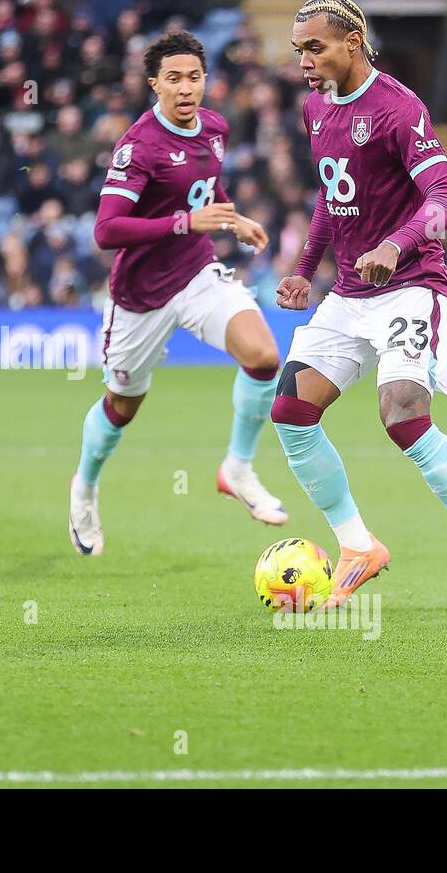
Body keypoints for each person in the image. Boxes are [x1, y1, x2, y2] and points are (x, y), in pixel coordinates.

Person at [275, 0, 447, 614]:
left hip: (409, 284)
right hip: (350, 292)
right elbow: (333, 198)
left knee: (403, 416)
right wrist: (306, 271)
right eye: (299, 49)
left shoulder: (398, 107)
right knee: (290, 412)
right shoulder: (315, 108)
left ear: (353, 42)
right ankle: (357, 545)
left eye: (316, 47)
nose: (305, 60)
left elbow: (444, 197)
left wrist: (395, 243)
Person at [69, 30, 285, 557]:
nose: (186, 88)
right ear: (154, 84)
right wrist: (186, 222)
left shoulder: (215, 128)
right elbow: (106, 231)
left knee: (264, 357)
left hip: (196, 275)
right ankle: (85, 488)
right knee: (122, 406)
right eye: (174, 79)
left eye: (194, 77)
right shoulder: (138, 148)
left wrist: (234, 220)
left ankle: (237, 468)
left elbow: (208, 189)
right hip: (139, 296)